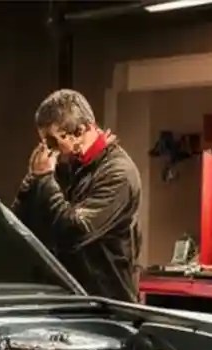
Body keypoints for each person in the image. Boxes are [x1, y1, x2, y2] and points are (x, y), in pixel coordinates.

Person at [12, 89, 142, 302]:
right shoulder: (68, 167)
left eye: (54, 142)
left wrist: (45, 179)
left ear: (80, 131)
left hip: (106, 302)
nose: (50, 150)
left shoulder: (117, 173)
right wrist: (33, 180)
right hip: (67, 298)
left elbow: (76, 231)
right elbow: (20, 222)